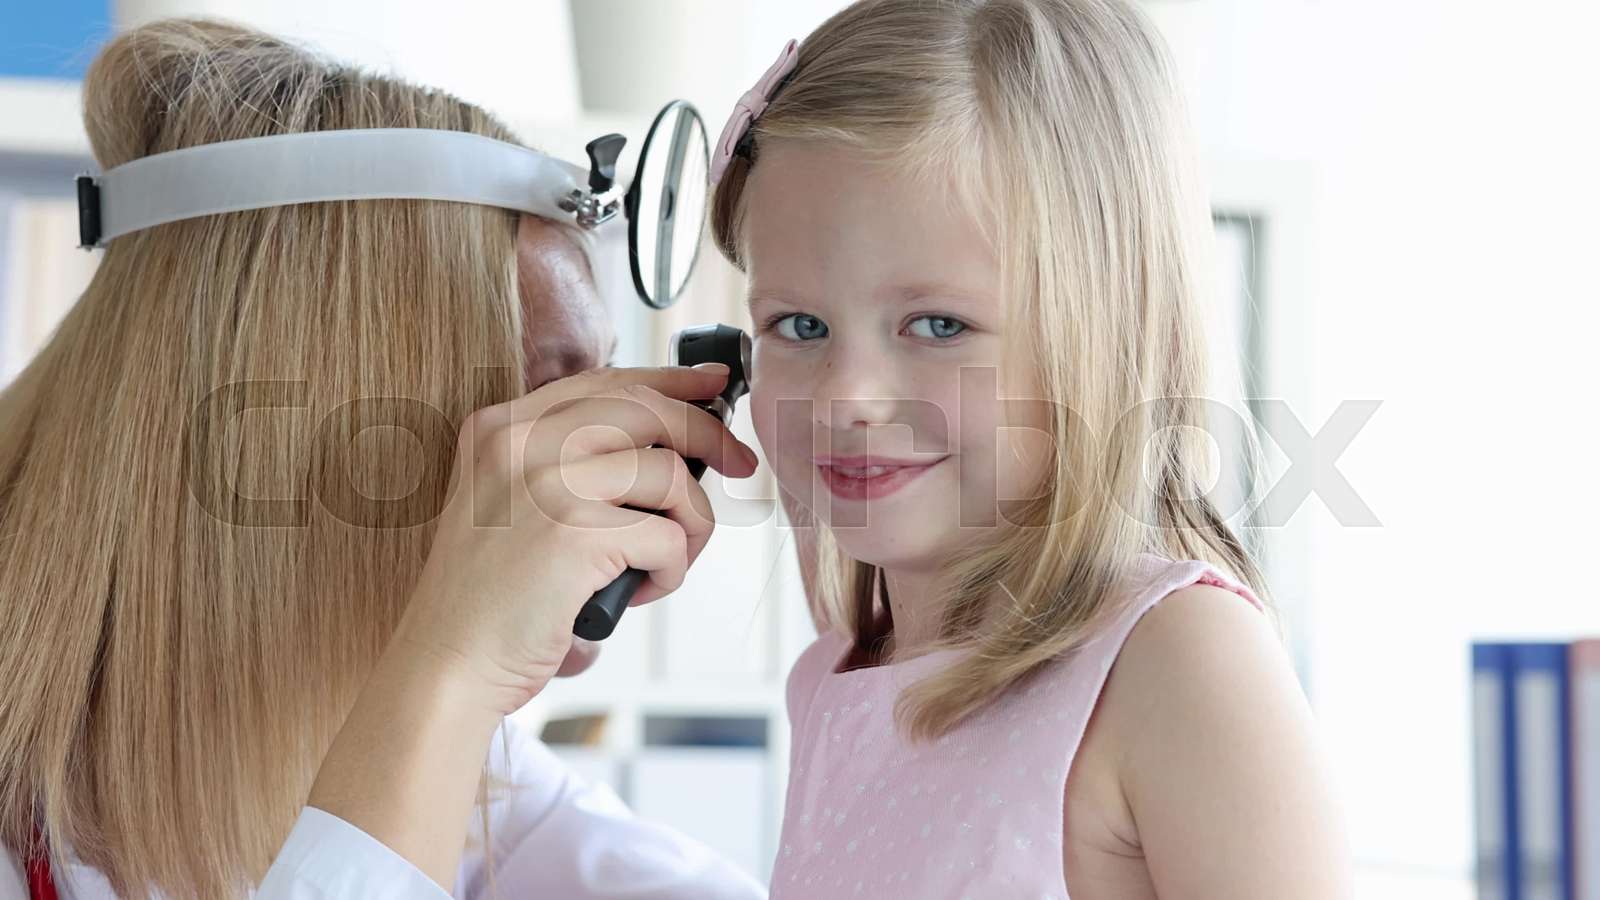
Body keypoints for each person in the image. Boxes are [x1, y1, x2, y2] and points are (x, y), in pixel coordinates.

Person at [0, 19, 765, 900]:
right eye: (540, 409)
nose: (589, 472)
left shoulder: (474, 780)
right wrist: (452, 674)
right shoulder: (433, 710)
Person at [711, 0, 1356, 896]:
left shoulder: (1179, 664)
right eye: (799, 323)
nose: (847, 397)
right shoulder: (834, 677)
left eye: (938, 325)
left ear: (1108, 332)